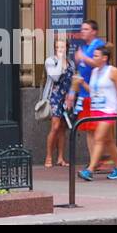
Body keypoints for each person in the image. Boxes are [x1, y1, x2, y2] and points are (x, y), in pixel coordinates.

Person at [68, 43, 117, 181]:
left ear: (105, 58)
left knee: (98, 139)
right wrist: (81, 83)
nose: (93, 58)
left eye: (96, 56)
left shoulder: (113, 71)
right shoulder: (95, 72)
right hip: (96, 109)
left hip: (109, 110)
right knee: (109, 140)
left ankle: (90, 170)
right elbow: (94, 91)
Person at [42, 39, 73, 168]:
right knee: (55, 127)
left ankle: (60, 157)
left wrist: (70, 96)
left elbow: (72, 80)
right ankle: (48, 156)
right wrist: (60, 60)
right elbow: (55, 76)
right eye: (57, 47)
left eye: (62, 47)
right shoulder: (50, 61)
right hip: (54, 96)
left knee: (63, 129)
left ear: (67, 47)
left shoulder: (71, 62)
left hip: (66, 98)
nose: (60, 49)